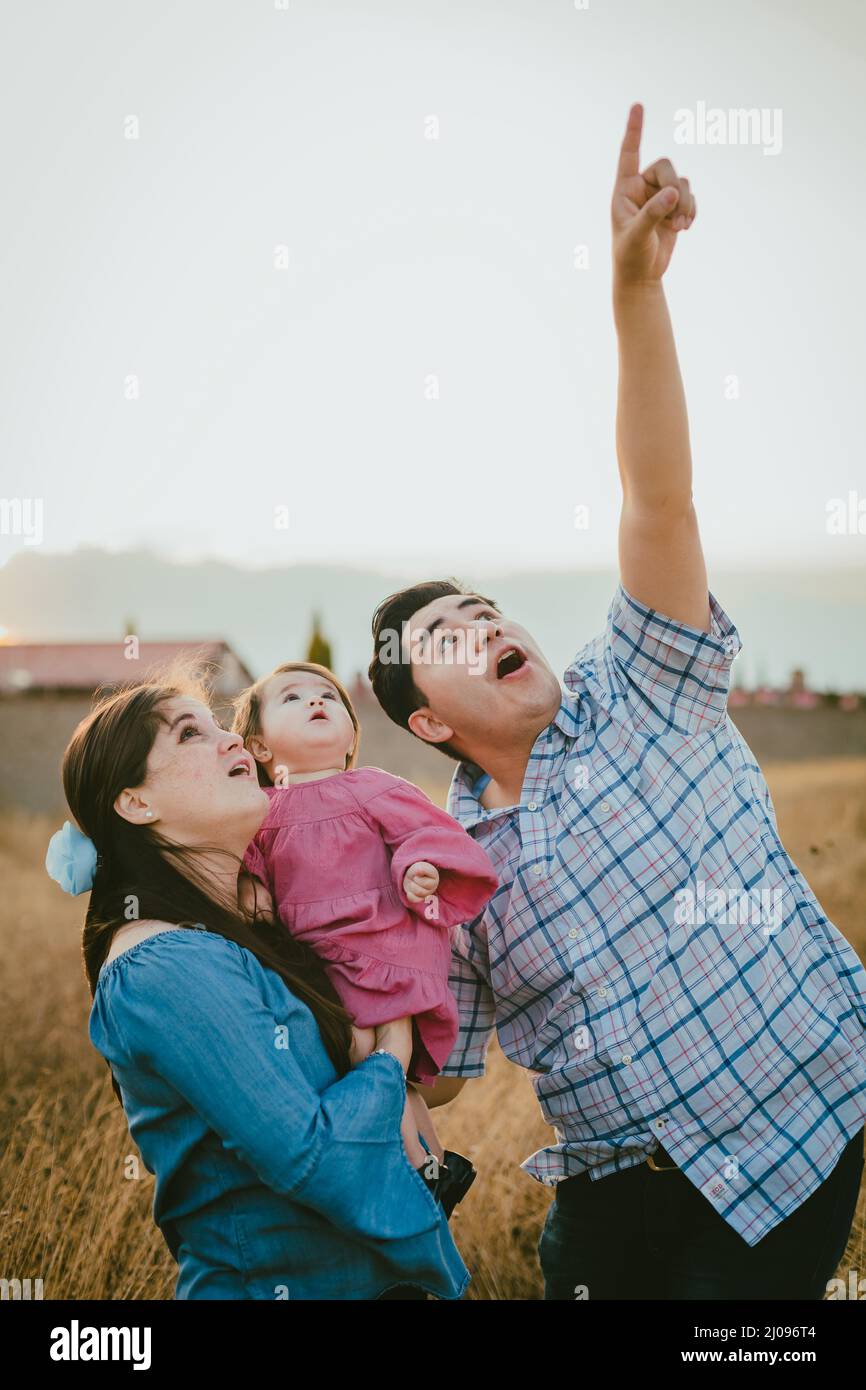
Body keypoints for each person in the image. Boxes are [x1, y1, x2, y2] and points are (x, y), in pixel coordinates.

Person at [366, 103, 866, 1299]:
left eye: (483, 606)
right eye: (445, 634)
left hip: (789, 1135)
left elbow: (657, 501)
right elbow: (440, 1066)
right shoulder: (444, 860)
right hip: (603, 1192)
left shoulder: (645, 682)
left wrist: (632, 290)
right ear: (428, 719)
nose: (482, 623)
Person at [45, 662, 470, 1300]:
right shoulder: (160, 966)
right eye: (190, 734)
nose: (230, 740)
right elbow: (313, 1156)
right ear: (135, 802)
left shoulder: (258, 932)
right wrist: (392, 1051)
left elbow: (432, 1087)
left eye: (221, 726)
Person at [231, 658, 497, 1211]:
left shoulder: (372, 788)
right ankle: (430, 1165)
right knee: (375, 1064)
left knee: (366, 1050)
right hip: (313, 960)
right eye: (292, 698)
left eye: (326, 694)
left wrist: (417, 867)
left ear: (352, 733)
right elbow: (243, 863)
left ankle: (416, 1173)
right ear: (258, 747)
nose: (315, 701)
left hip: (381, 944)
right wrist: (252, 888)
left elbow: (432, 835)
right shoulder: (256, 812)